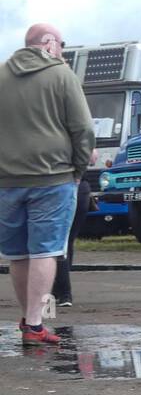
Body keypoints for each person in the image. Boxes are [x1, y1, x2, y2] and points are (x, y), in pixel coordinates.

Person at [0, 23, 95, 344]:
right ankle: (36, 324)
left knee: (17, 254)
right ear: (50, 43)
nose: (63, 50)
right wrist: (78, 169)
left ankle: (27, 317)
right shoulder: (62, 75)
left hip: (6, 180)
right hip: (53, 177)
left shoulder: (1, 74)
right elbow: (83, 128)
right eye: (63, 44)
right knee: (46, 250)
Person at [52, 174, 93, 306]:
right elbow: (92, 158)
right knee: (67, 242)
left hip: (57, 188)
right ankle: (58, 290)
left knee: (56, 244)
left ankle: (63, 293)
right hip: (80, 188)